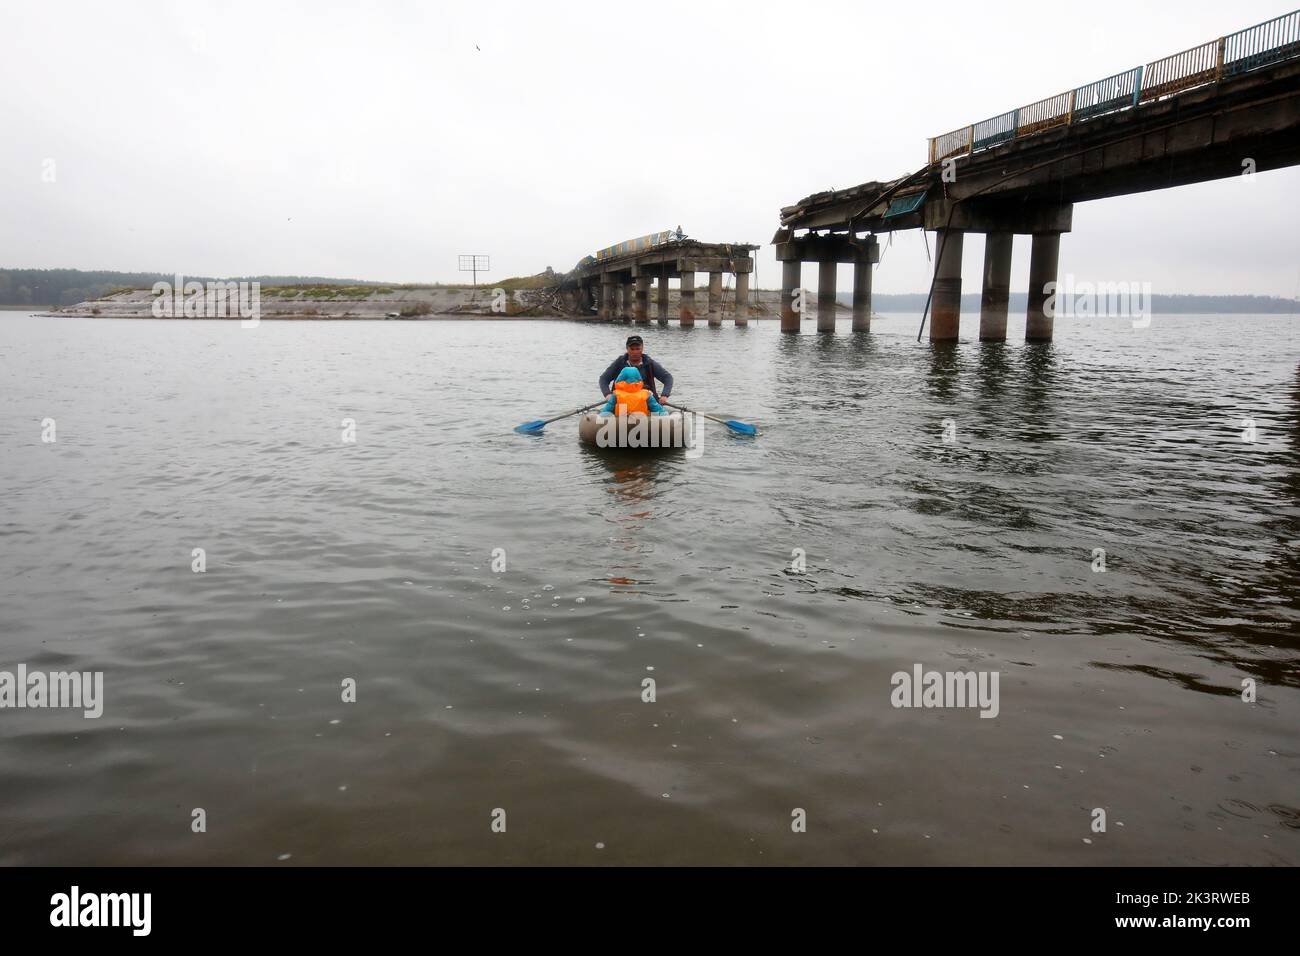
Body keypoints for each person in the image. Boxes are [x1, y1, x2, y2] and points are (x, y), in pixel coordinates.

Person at [599, 335, 673, 401]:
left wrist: (664, 395)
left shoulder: (649, 363)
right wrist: (607, 395)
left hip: (645, 402)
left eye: (637, 349)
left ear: (642, 348)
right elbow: (603, 379)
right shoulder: (619, 363)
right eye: (632, 349)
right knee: (621, 413)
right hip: (622, 403)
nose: (635, 352)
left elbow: (668, 378)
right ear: (627, 349)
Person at [600, 367, 667, 416]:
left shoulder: (616, 394)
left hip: (621, 425)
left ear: (620, 379)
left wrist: (600, 415)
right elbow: (657, 409)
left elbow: (606, 410)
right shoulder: (646, 394)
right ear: (639, 379)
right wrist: (665, 414)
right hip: (642, 425)